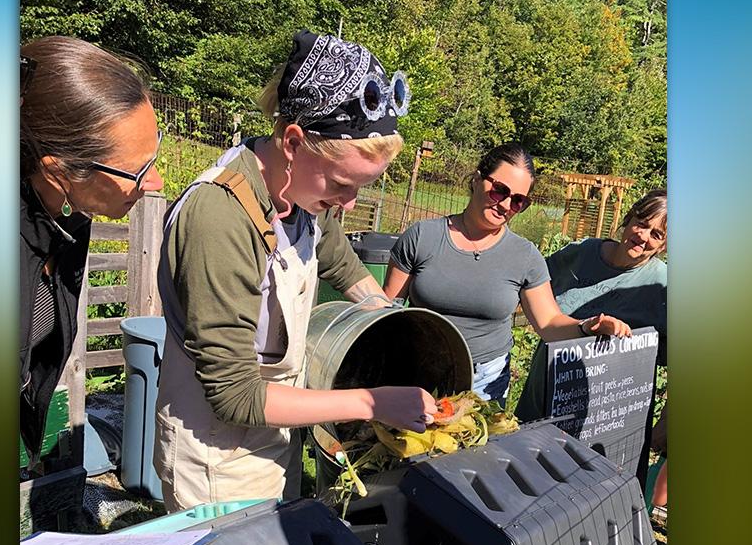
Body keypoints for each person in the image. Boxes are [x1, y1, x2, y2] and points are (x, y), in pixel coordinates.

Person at [155, 30, 437, 512]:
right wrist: (373, 402)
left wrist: (393, 329)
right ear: (292, 141)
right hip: (215, 457)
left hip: (275, 434)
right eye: (343, 184)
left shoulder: (299, 194)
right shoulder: (220, 218)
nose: (347, 203)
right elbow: (234, 395)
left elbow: (340, 260)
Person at [383, 143, 632, 404]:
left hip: (483, 384)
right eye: (499, 190)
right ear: (478, 180)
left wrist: (586, 326)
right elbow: (388, 310)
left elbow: (548, 324)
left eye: (518, 200)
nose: (505, 204)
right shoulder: (423, 237)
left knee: (477, 445)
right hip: (415, 373)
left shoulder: (524, 256)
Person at [19, 35, 164, 470]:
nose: (155, 182)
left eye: (154, 155)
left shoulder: (68, 222)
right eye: (137, 171)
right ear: (59, 170)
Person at [514, 190, 668, 486]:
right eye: (641, 223)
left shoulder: (663, 287)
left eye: (657, 234)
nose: (643, 236)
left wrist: (666, 422)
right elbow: (528, 285)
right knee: (523, 483)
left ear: (662, 245)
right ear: (628, 218)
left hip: (603, 420)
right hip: (544, 395)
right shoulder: (582, 254)